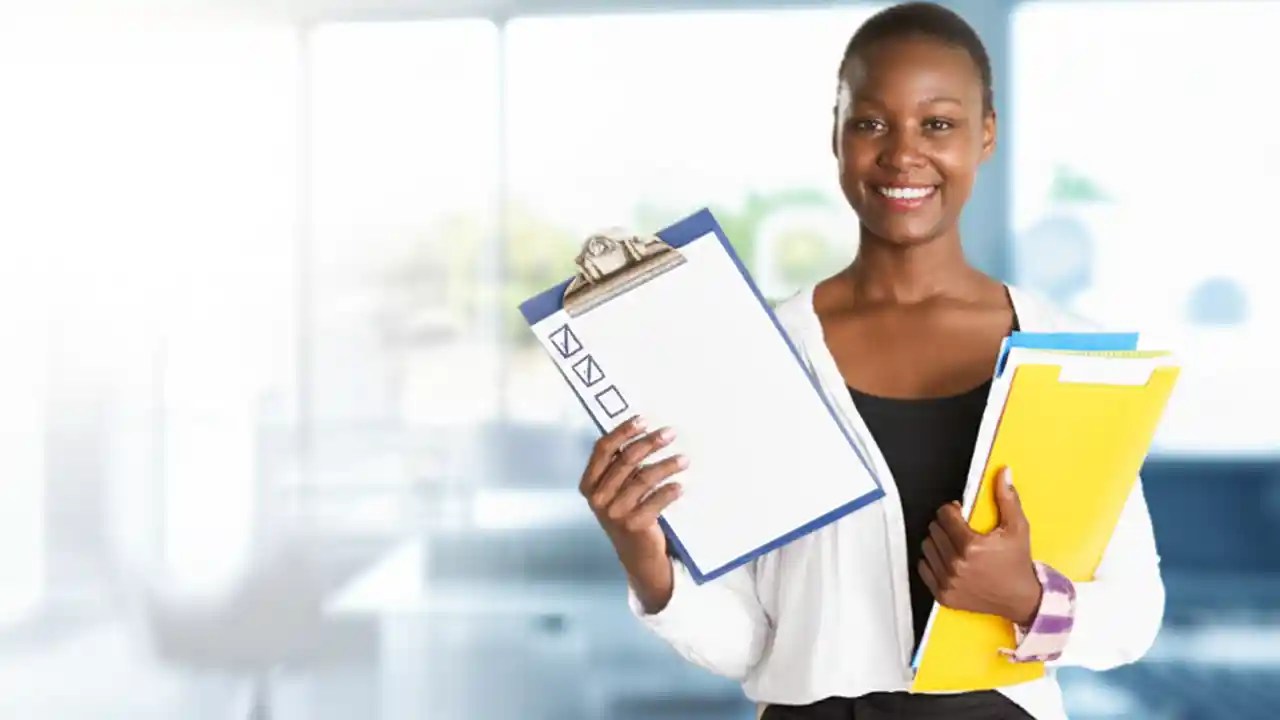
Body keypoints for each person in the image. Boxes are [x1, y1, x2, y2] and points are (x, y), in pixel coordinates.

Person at [575, 3, 1164, 719]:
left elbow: (1132, 618)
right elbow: (749, 645)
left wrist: (1024, 597)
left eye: (938, 124)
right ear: (837, 136)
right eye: (871, 122)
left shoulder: (1070, 356)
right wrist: (644, 554)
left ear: (986, 134)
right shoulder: (759, 354)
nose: (902, 153)